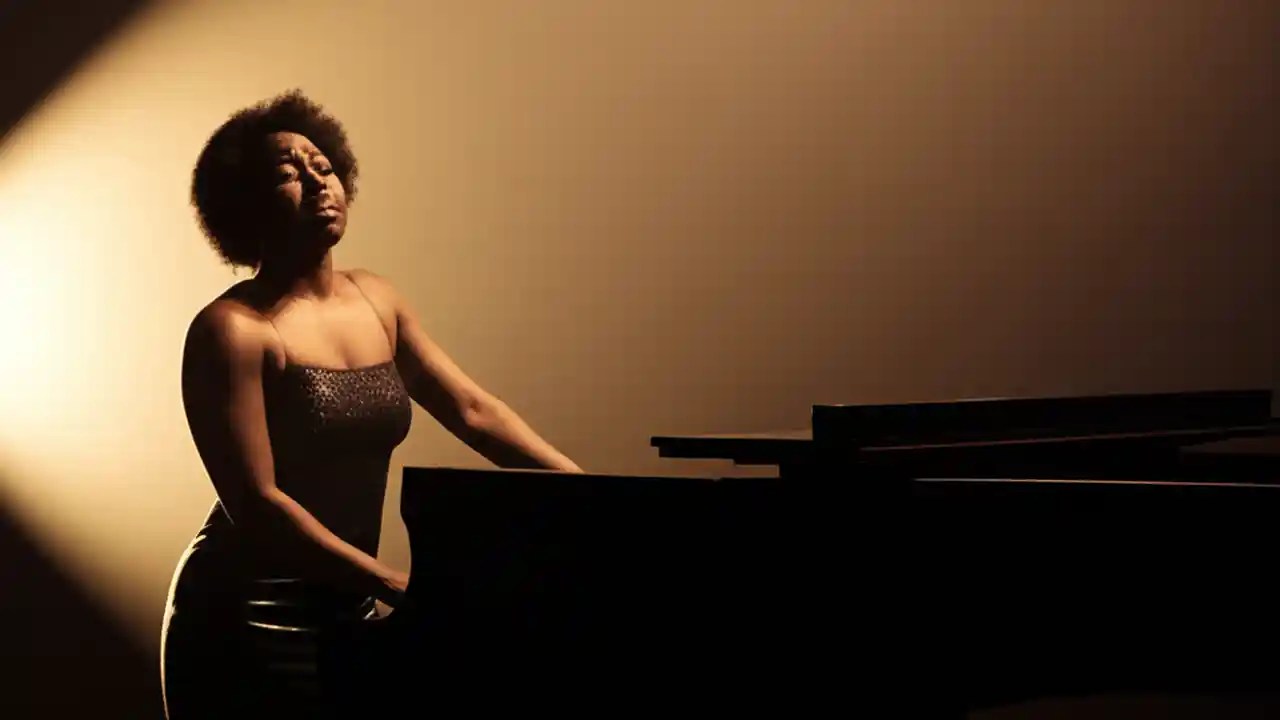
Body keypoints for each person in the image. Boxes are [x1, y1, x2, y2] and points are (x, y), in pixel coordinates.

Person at [160, 89, 584, 719]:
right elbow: (257, 505)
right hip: (245, 615)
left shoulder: (375, 298)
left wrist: (586, 491)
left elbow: (471, 409)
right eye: (286, 175)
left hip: (347, 604)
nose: (316, 182)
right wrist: (391, 581)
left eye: (322, 167)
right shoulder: (231, 330)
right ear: (245, 207)